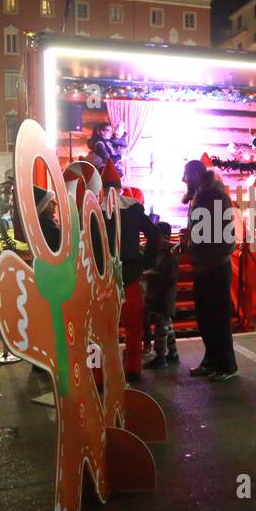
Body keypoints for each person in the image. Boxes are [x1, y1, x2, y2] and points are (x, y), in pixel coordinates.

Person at [182, 160, 238, 380]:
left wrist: (196, 244)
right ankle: (211, 360)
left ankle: (226, 365)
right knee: (206, 318)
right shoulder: (202, 195)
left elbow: (222, 235)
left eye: (186, 174)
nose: (184, 179)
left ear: (196, 173)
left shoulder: (213, 197)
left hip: (214, 266)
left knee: (218, 319)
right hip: (204, 265)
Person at [104, 162, 159, 382]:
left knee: (101, 328)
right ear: (120, 187)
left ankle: (99, 373)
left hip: (103, 276)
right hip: (130, 272)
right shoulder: (133, 209)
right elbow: (154, 234)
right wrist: (146, 261)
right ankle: (133, 368)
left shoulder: (92, 209)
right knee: (133, 324)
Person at [143, 222, 180, 368]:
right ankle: (173, 353)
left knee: (161, 326)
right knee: (166, 325)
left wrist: (153, 275)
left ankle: (160, 356)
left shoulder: (170, 256)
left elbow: (170, 279)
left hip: (165, 296)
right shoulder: (160, 253)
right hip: (160, 295)